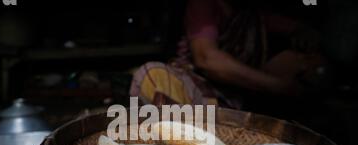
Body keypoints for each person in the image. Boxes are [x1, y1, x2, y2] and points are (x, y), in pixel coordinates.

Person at [130, 0, 326, 111]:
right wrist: (277, 85)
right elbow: (207, 59)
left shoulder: (253, 14)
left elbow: (299, 30)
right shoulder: (203, 5)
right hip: (198, 91)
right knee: (150, 74)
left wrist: (305, 37)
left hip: (239, 97)